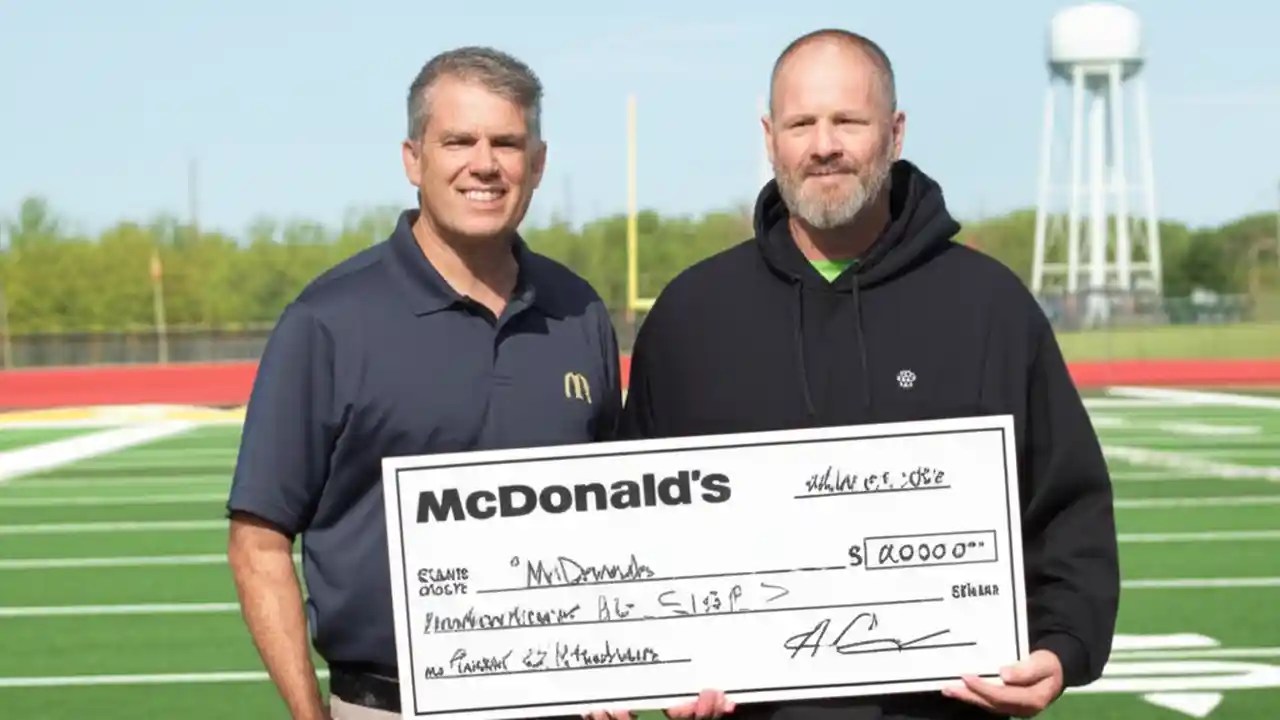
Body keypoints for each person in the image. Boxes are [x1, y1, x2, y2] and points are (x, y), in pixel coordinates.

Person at [615, 28, 1120, 720]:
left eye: (848, 120)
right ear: (770, 137)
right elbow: (632, 529)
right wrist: (656, 664)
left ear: (895, 131)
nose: (824, 145)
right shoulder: (691, 315)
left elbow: (1067, 503)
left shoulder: (989, 306)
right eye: (801, 123)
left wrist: (1062, 646)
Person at [225, 47, 627, 719]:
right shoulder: (328, 320)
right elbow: (258, 541)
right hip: (387, 703)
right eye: (458, 141)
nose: (485, 163)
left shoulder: (578, 311)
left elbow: (618, 516)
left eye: (506, 142)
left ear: (538, 162)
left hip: (560, 699)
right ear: (414, 159)